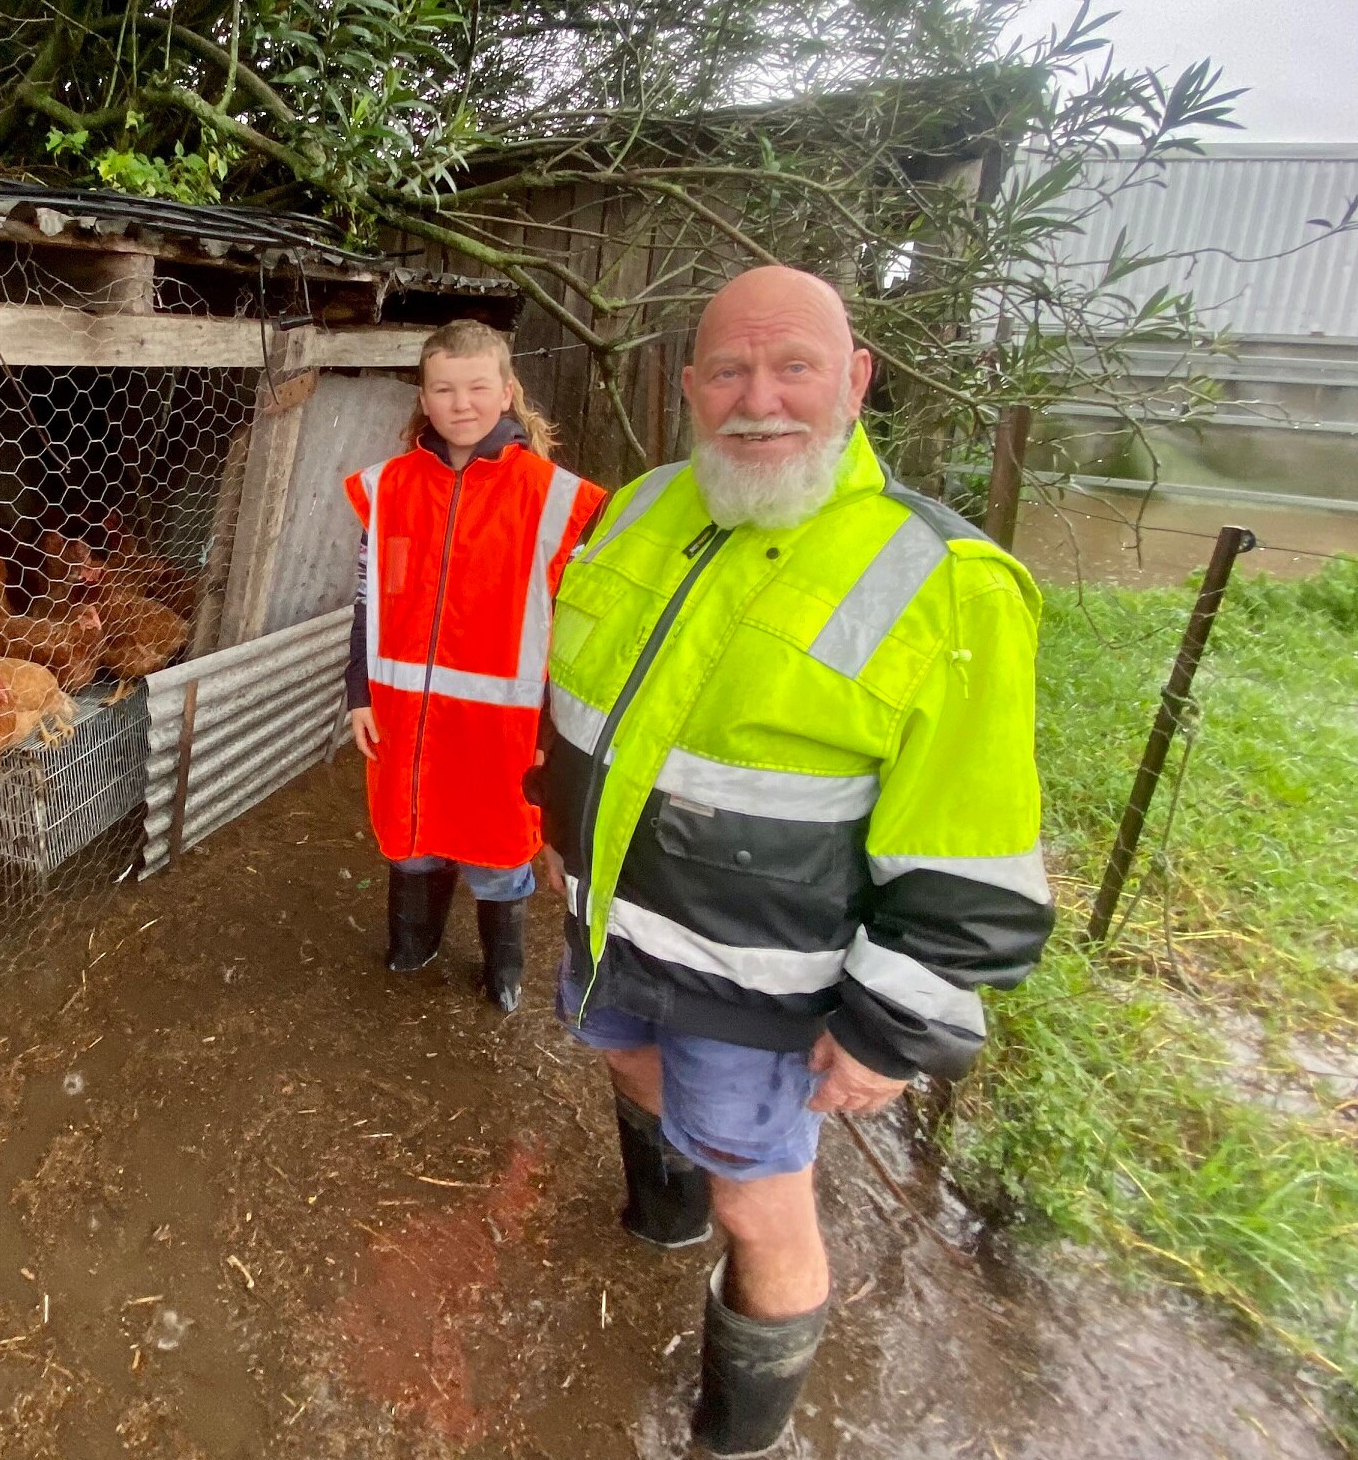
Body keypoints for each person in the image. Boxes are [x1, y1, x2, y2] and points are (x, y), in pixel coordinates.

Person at [540, 267, 1052, 1456]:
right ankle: (656, 1222)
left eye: (792, 367)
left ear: (855, 379)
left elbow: (967, 847)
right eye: (725, 369)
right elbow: (580, 710)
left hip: (760, 988)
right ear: (686, 387)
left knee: (758, 1200)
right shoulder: (643, 507)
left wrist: (889, 1028)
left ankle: (739, 1430)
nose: (755, 399)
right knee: (625, 1076)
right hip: (614, 926)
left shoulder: (943, 580)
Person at [343, 320, 608, 1010]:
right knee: (410, 839)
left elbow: (581, 633)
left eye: (478, 387)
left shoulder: (555, 497)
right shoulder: (390, 487)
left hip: (505, 728)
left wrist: (560, 735)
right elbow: (368, 600)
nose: (462, 403)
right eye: (444, 388)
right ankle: (412, 946)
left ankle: (503, 970)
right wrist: (357, 693)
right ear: (423, 399)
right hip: (404, 715)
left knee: (497, 855)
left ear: (508, 392)